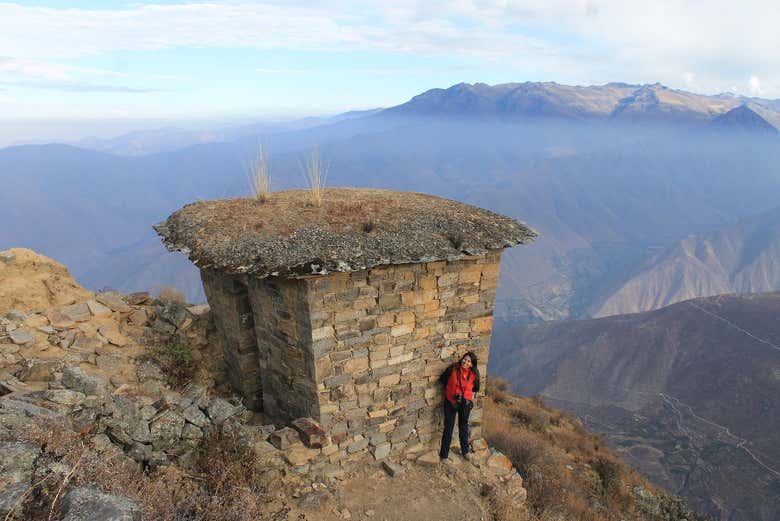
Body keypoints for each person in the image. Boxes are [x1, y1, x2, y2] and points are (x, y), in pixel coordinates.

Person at [438, 351, 480, 461]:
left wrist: (466, 396)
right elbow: (443, 379)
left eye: (469, 361)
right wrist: (450, 391)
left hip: (465, 404)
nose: (465, 362)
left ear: (472, 364)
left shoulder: (474, 375)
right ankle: (444, 455)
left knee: (464, 427)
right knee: (449, 428)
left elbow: (476, 388)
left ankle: (465, 451)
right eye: (465, 359)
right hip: (450, 402)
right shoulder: (452, 369)